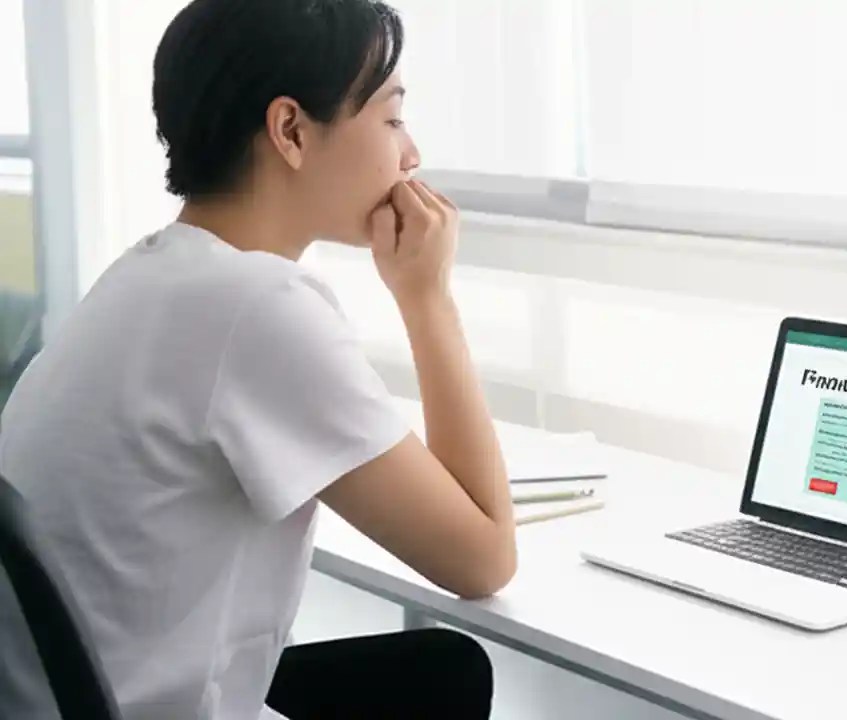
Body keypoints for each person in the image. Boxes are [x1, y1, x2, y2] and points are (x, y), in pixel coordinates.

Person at [0, 0, 516, 717]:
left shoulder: (152, 274)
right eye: (392, 118)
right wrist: (426, 298)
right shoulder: (255, 306)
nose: (411, 155)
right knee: (444, 675)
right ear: (291, 131)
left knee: (439, 667)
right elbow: (482, 560)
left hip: (65, 700)